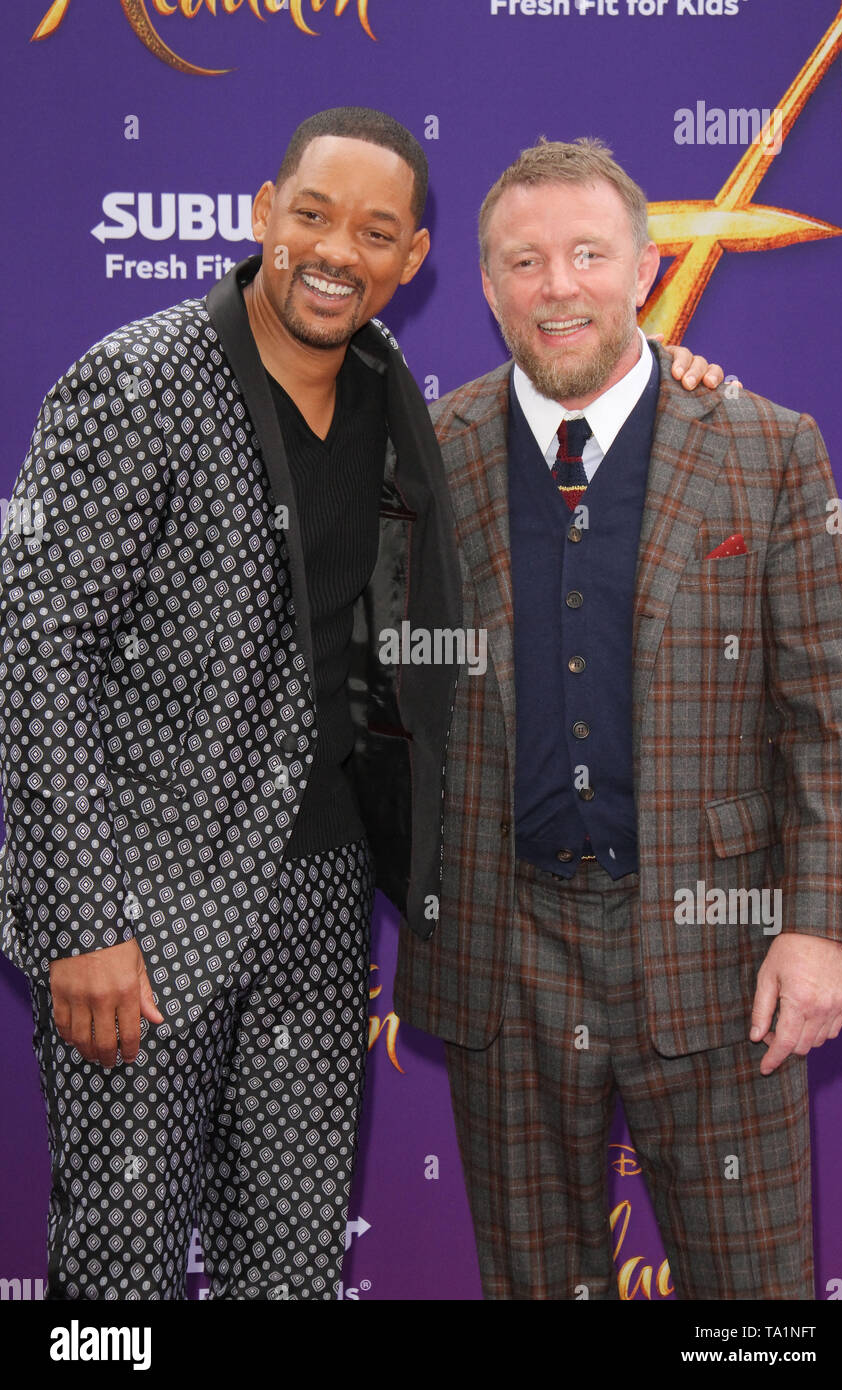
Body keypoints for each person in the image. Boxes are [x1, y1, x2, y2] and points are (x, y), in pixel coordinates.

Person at [0, 109, 719, 1301]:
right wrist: (79, 917)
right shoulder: (135, 383)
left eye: (374, 232)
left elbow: (585, 405)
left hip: (321, 907)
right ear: (262, 216)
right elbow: (38, 651)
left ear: (413, 260)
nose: (338, 250)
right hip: (139, 916)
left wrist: (680, 376)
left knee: (286, 1268)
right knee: (113, 1281)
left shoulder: (395, 402)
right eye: (314, 215)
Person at [394, 136, 842, 1301]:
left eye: (587, 253)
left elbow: (828, 712)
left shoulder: (764, 448)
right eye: (524, 261)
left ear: (645, 268)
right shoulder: (426, 455)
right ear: (488, 283)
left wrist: (816, 927)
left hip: (718, 950)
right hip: (502, 951)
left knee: (752, 1302)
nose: (557, 285)